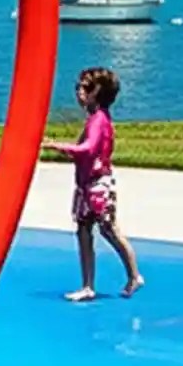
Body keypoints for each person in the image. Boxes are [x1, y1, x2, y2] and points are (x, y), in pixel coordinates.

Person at [42, 67, 145, 302]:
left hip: (98, 185)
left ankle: (133, 275)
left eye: (84, 88)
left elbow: (88, 150)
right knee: (83, 230)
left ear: (96, 92)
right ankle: (88, 285)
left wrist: (58, 146)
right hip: (85, 185)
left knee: (109, 230)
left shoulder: (99, 121)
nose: (79, 92)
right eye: (77, 87)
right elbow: (84, 152)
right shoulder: (95, 120)